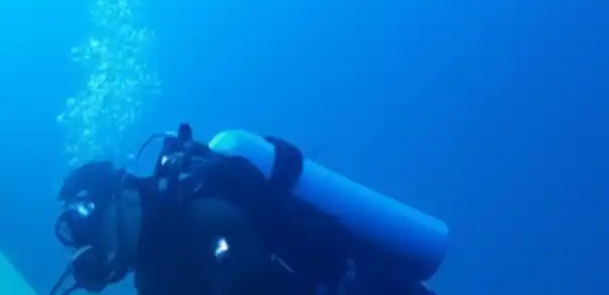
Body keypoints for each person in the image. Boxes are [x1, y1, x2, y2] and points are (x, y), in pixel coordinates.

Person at [49, 124, 447, 295]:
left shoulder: (201, 219)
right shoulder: (157, 264)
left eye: (83, 232)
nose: (85, 251)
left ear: (112, 204)